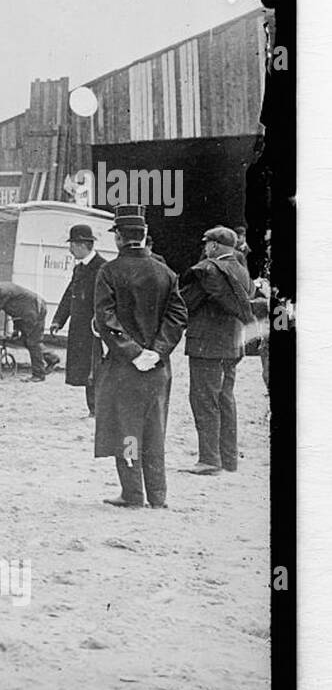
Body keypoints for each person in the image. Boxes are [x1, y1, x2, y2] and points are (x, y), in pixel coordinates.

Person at [92, 208, 188, 508]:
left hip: (124, 369)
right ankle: (158, 496)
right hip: (158, 368)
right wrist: (156, 351)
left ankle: (132, 494)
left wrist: (133, 352)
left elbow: (106, 318)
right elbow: (178, 316)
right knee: (155, 430)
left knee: (128, 430)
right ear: (144, 236)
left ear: (119, 237)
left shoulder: (108, 272)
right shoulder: (166, 273)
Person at [179, 226, 255, 475]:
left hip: (206, 345)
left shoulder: (209, 270)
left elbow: (187, 302)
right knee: (225, 399)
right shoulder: (241, 270)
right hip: (232, 345)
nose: (205, 248)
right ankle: (228, 458)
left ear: (213, 246)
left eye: (206, 244)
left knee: (204, 400)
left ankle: (209, 459)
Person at [49, 224, 107, 415]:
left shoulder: (102, 268)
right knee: (85, 368)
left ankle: (97, 409)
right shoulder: (79, 268)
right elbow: (69, 295)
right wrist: (58, 320)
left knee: (95, 367)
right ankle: (93, 408)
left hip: (95, 329)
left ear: (82, 245)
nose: (70, 249)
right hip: (80, 328)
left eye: (72, 245)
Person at [0, 273, 59, 381]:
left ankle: (39, 375)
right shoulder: (0, 290)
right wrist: (16, 329)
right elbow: (15, 309)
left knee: (32, 342)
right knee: (27, 341)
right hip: (33, 309)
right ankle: (52, 358)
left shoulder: (1, 291)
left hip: (35, 309)